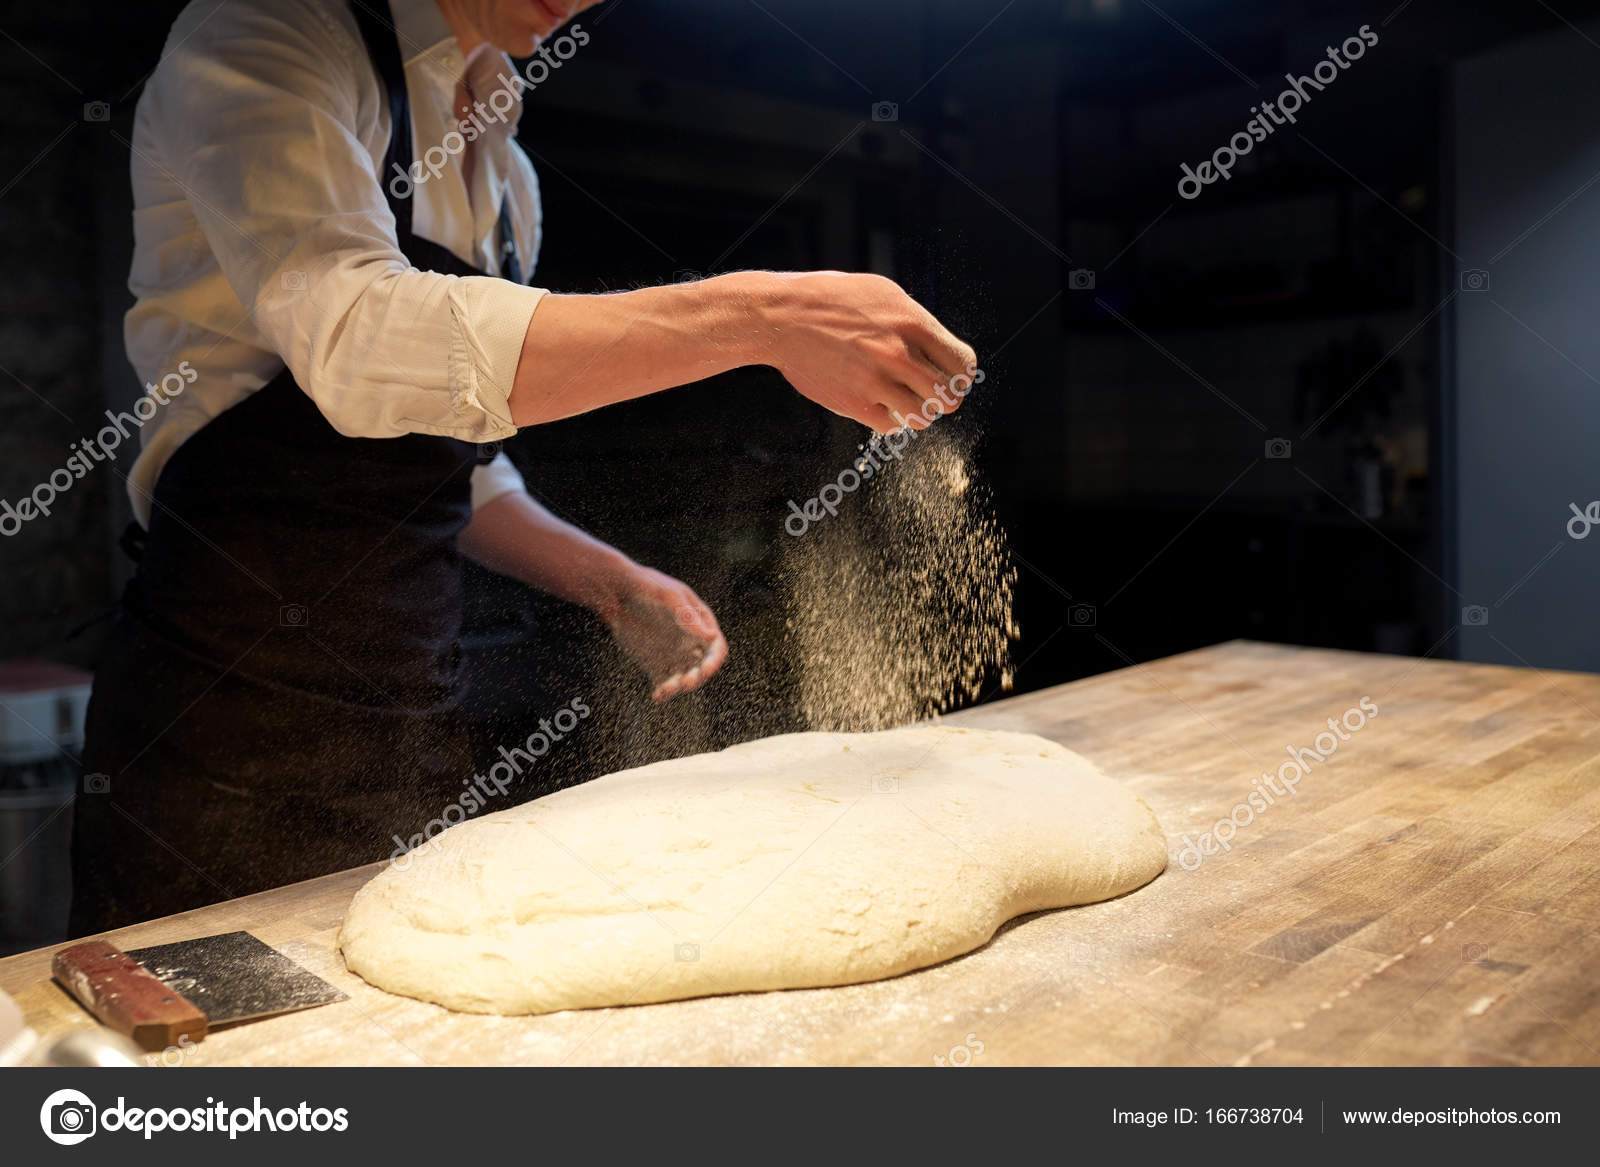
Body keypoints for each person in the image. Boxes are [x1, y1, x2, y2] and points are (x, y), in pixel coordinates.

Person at [69, 0, 975, 934]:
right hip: (223, 717)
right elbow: (352, 344)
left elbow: (443, 458)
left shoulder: (506, 177)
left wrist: (609, 582)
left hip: (411, 709)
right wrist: (754, 318)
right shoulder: (267, 36)